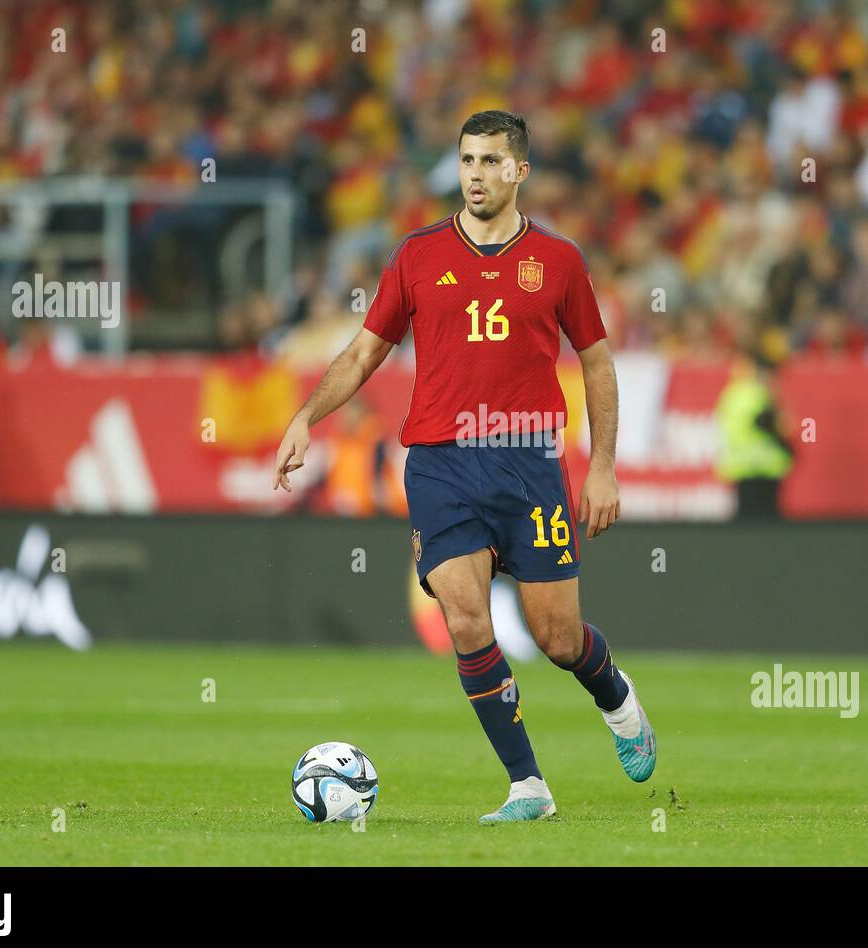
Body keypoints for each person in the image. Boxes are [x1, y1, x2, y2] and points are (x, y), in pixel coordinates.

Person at [272, 110, 655, 824]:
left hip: (531, 462)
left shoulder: (560, 260)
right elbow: (362, 352)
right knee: (468, 620)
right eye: (467, 161)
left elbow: (596, 364)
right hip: (441, 463)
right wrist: (305, 417)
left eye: (489, 161)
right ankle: (527, 787)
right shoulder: (416, 255)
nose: (475, 174)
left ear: (519, 171)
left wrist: (602, 467)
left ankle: (616, 698)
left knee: (558, 639)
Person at [715, 350, 793, 518]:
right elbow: (764, 422)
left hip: (742, 466)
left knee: (746, 519)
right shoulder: (756, 393)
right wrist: (787, 445)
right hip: (760, 466)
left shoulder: (734, 393)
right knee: (765, 521)